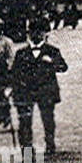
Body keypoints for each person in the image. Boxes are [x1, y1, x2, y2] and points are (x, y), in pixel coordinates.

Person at [9, 21, 68, 155]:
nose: (36, 34)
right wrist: (13, 89)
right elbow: (14, 72)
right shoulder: (21, 53)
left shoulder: (52, 51)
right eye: (33, 32)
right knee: (24, 121)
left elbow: (63, 67)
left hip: (46, 90)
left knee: (48, 118)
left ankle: (50, 144)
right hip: (26, 91)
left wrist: (52, 63)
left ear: (44, 34)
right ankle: (27, 150)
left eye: (40, 31)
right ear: (29, 34)